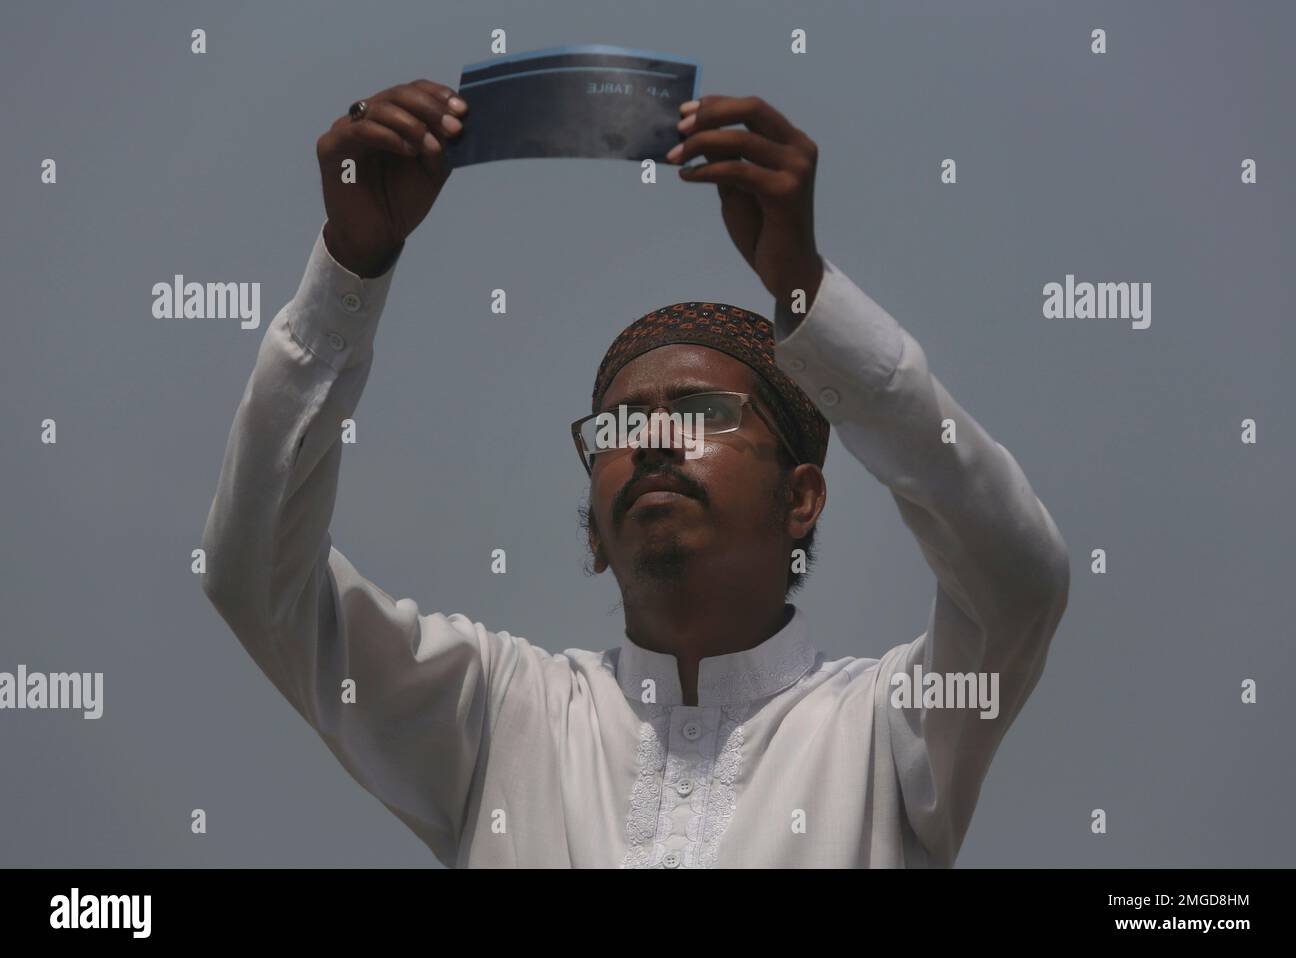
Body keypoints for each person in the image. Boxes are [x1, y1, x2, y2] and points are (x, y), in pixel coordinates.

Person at [200, 80, 1070, 868]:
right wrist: (349, 273)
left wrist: (809, 294)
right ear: (590, 521)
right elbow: (255, 576)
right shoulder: (500, 717)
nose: (652, 442)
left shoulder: (889, 731)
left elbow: (1017, 576)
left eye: (699, 415)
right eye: (619, 424)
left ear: (802, 497)